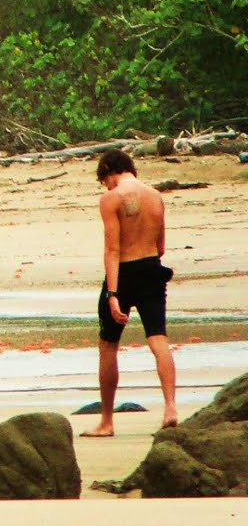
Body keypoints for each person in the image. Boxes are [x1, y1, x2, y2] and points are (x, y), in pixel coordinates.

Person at [84, 148, 179, 436]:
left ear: (110, 173)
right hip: (152, 269)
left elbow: (112, 249)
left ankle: (106, 421)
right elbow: (161, 246)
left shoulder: (111, 198)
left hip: (123, 273)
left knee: (108, 345)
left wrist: (113, 293)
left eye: (105, 180)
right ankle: (171, 407)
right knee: (158, 340)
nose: (107, 186)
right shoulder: (155, 196)